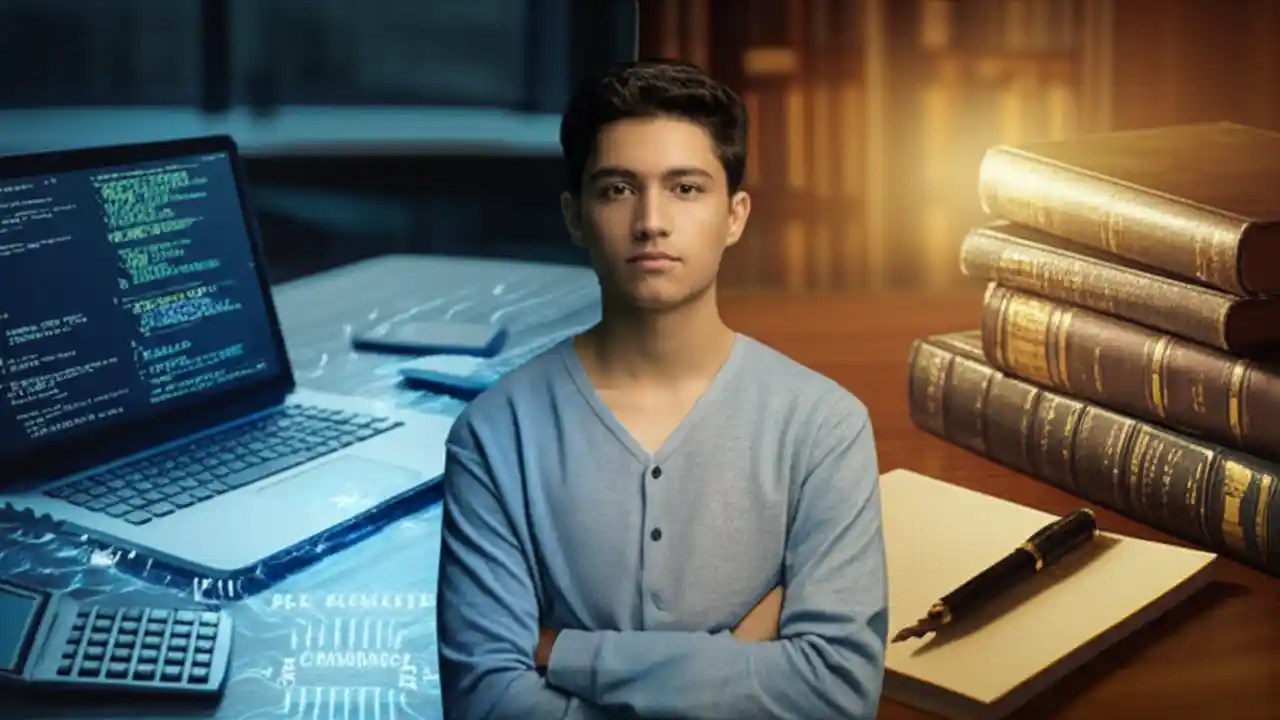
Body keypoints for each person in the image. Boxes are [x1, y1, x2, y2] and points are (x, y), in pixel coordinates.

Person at [435, 59, 888, 719]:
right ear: (575, 217)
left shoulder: (825, 427)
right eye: (618, 189)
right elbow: (485, 702)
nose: (651, 221)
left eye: (685, 188)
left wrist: (563, 653)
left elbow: (836, 691)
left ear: (734, 215)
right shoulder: (494, 435)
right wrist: (739, 659)